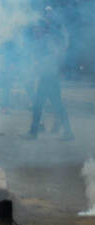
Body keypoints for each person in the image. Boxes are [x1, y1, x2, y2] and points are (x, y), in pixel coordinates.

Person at [25, 8, 74, 140]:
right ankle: (68, 133)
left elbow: (55, 56)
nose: (35, 31)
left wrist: (39, 64)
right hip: (47, 77)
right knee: (49, 105)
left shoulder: (48, 41)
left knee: (43, 105)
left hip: (50, 77)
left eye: (37, 29)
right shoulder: (41, 41)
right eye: (34, 29)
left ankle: (34, 133)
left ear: (42, 30)